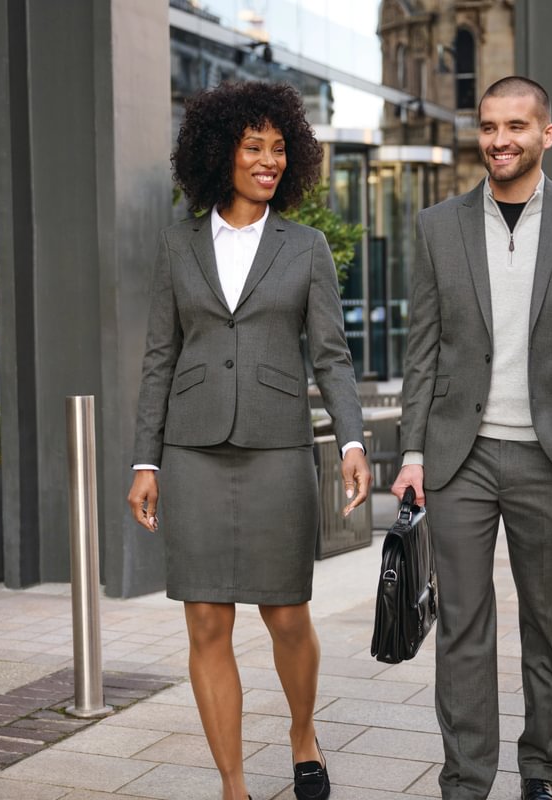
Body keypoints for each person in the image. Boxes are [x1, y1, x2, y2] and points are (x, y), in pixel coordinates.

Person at [127, 80, 370, 800]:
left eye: (278, 148)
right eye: (252, 146)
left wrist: (353, 441)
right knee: (206, 621)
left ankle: (302, 734)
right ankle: (233, 785)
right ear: (219, 152)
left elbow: (332, 355)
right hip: (193, 451)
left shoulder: (308, 247)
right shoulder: (179, 245)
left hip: (276, 450)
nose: (268, 159)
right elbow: (159, 357)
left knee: (288, 614)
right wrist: (146, 458)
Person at [390, 76, 552, 800]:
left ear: (546, 134)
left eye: (516, 126)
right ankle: (465, 780)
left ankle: (540, 771)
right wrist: (410, 452)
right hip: (458, 459)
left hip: (550, 456)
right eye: (489, 126)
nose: (500, 139)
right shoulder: (438, 226)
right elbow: (422, 349)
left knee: (547, 626)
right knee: (463, 625)